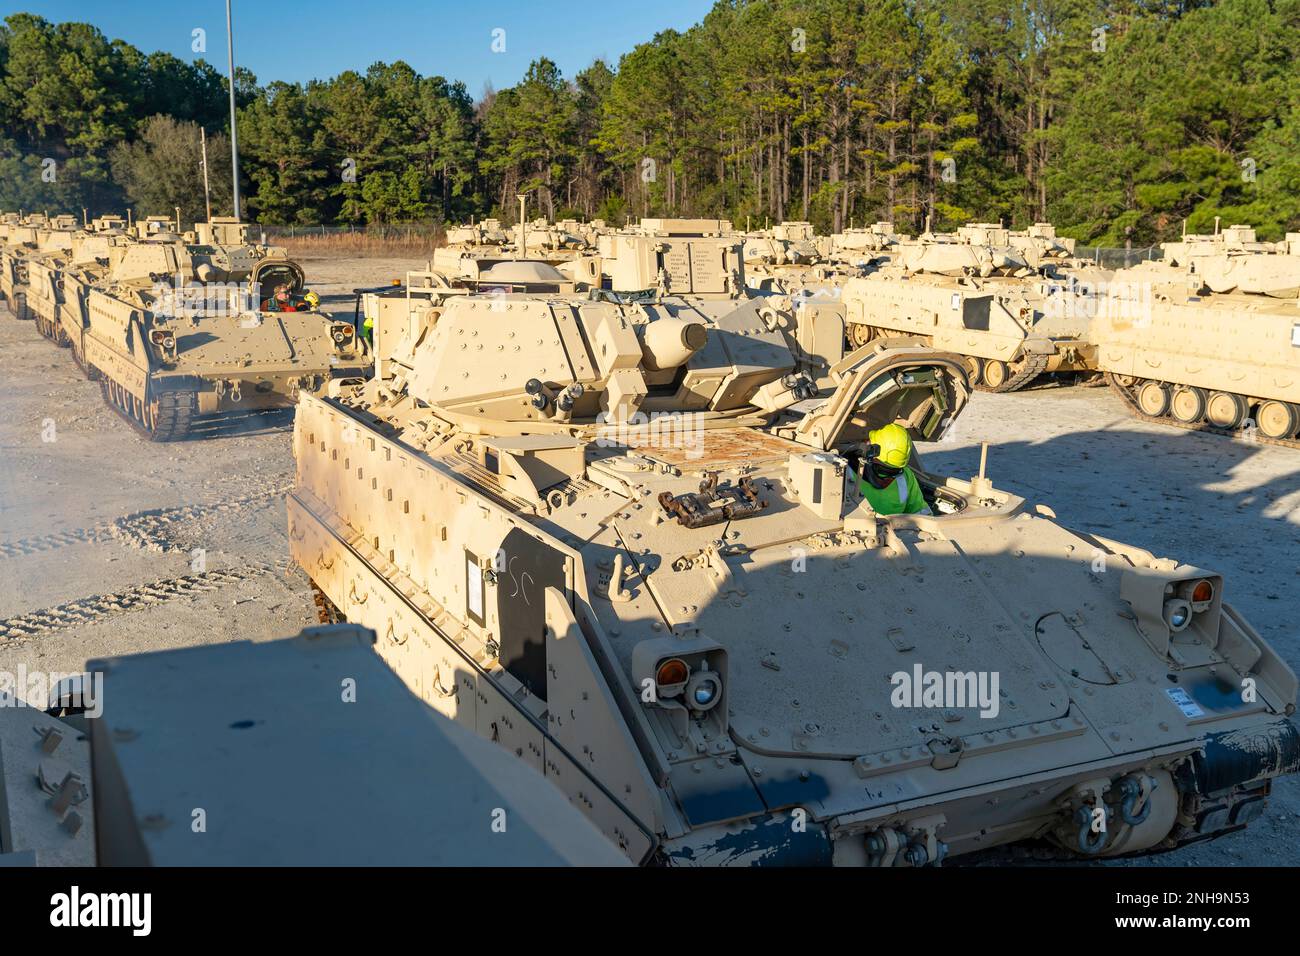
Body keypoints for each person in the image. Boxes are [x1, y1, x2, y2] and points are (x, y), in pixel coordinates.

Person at [846, 423, 931, 515]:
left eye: (895, 471)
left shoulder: (906, 476)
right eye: (882, 470)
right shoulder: (844, 474)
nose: (888, 478)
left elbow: (921, 512)